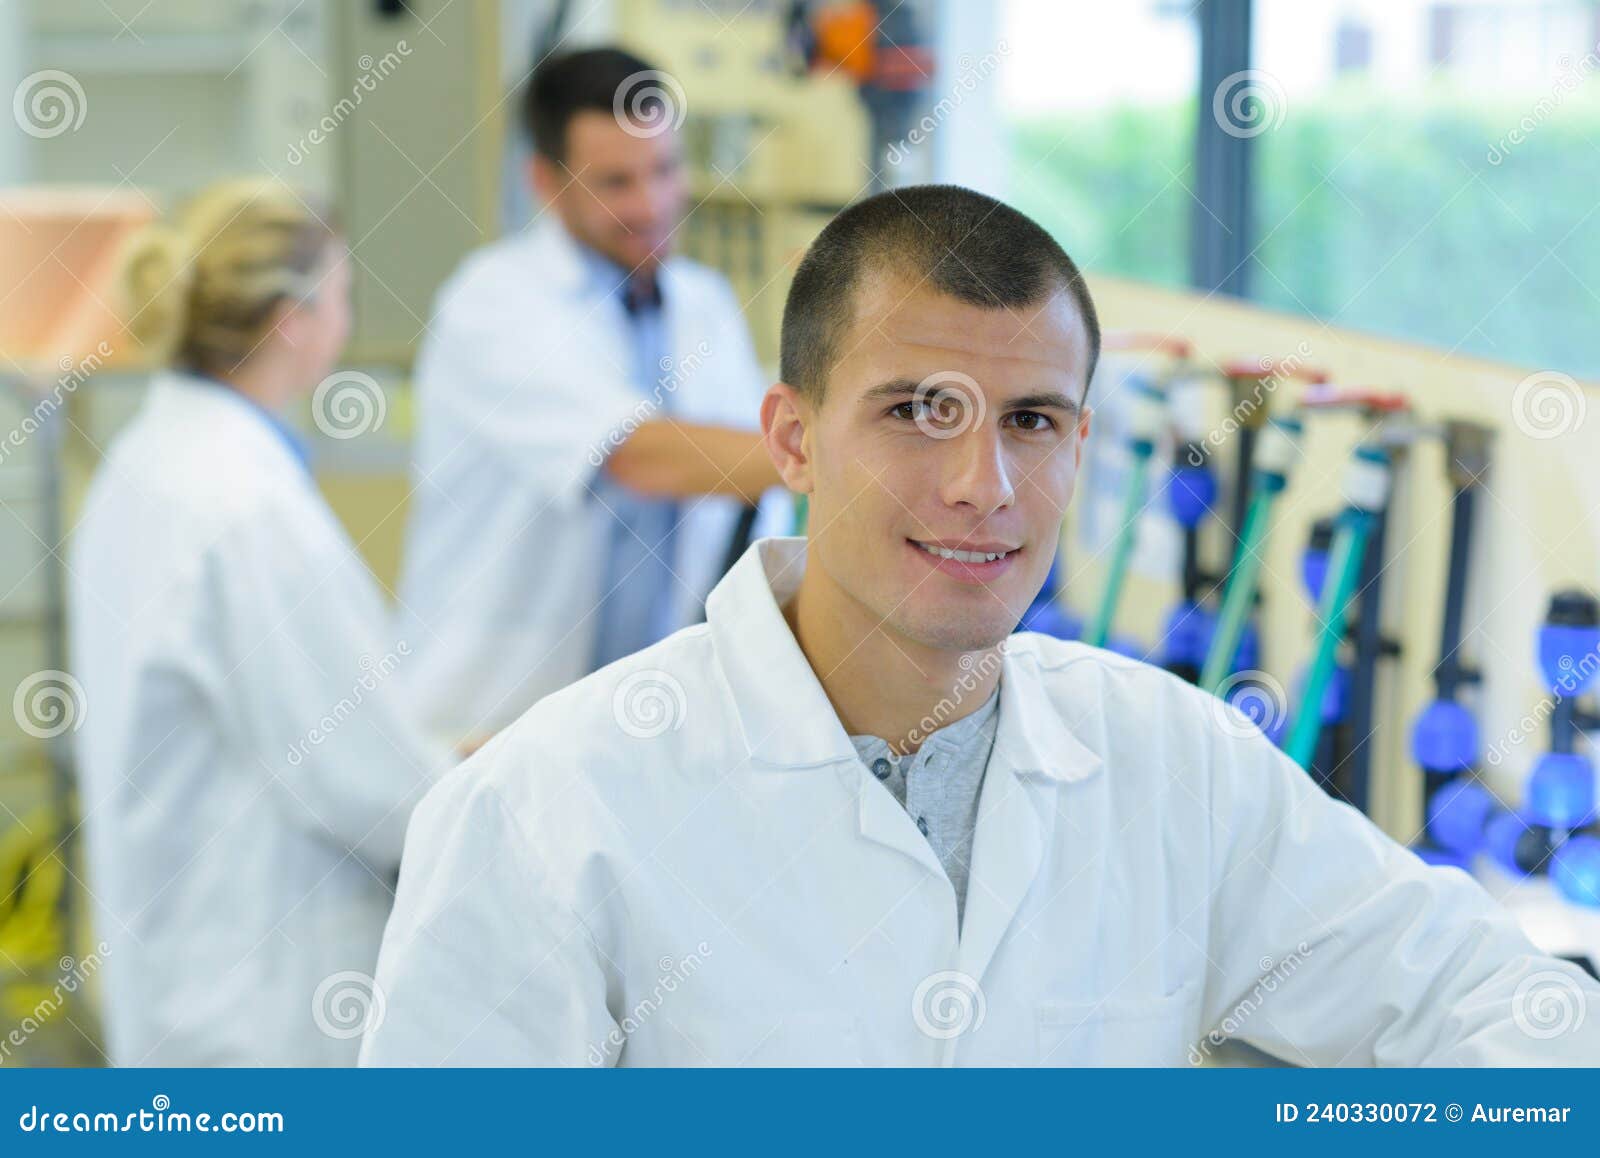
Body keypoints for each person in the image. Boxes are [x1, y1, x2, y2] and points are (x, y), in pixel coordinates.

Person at [360, 185, 1600, 1066]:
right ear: (791, 438)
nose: (983, 487)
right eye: (917, 411)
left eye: (1033, 421)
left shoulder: (1175, 764)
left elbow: (1492, 1009)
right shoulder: (545, 809)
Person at [69, 178, 454, 1065]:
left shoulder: (148, 462)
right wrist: (471, 775)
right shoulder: (247, 507)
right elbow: (372, 786)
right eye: (344, 293)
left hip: (184, 978)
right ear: (293, 318)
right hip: (264, 1000)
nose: (348, 316)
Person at [395, 47, 789, 750]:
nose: (651, 205)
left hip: (641, 732)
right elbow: (640, 457)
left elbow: (752, 500)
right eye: (615, 182)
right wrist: (845, 451)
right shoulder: (495, 301)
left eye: (664, 170)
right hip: (483, 727)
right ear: (545, 182)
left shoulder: (705, 305)